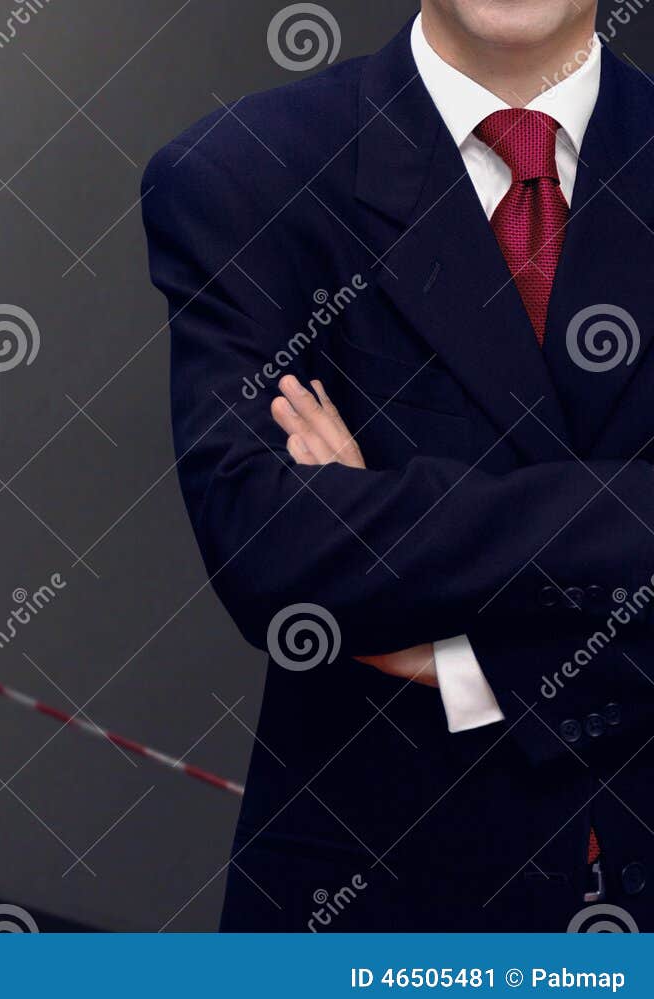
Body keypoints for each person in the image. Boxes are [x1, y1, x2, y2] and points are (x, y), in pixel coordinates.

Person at [142, 1, 654, 930]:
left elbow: (334, 541)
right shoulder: (246, 173)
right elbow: (274, 552)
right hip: (377, 900)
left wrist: (463, 656)